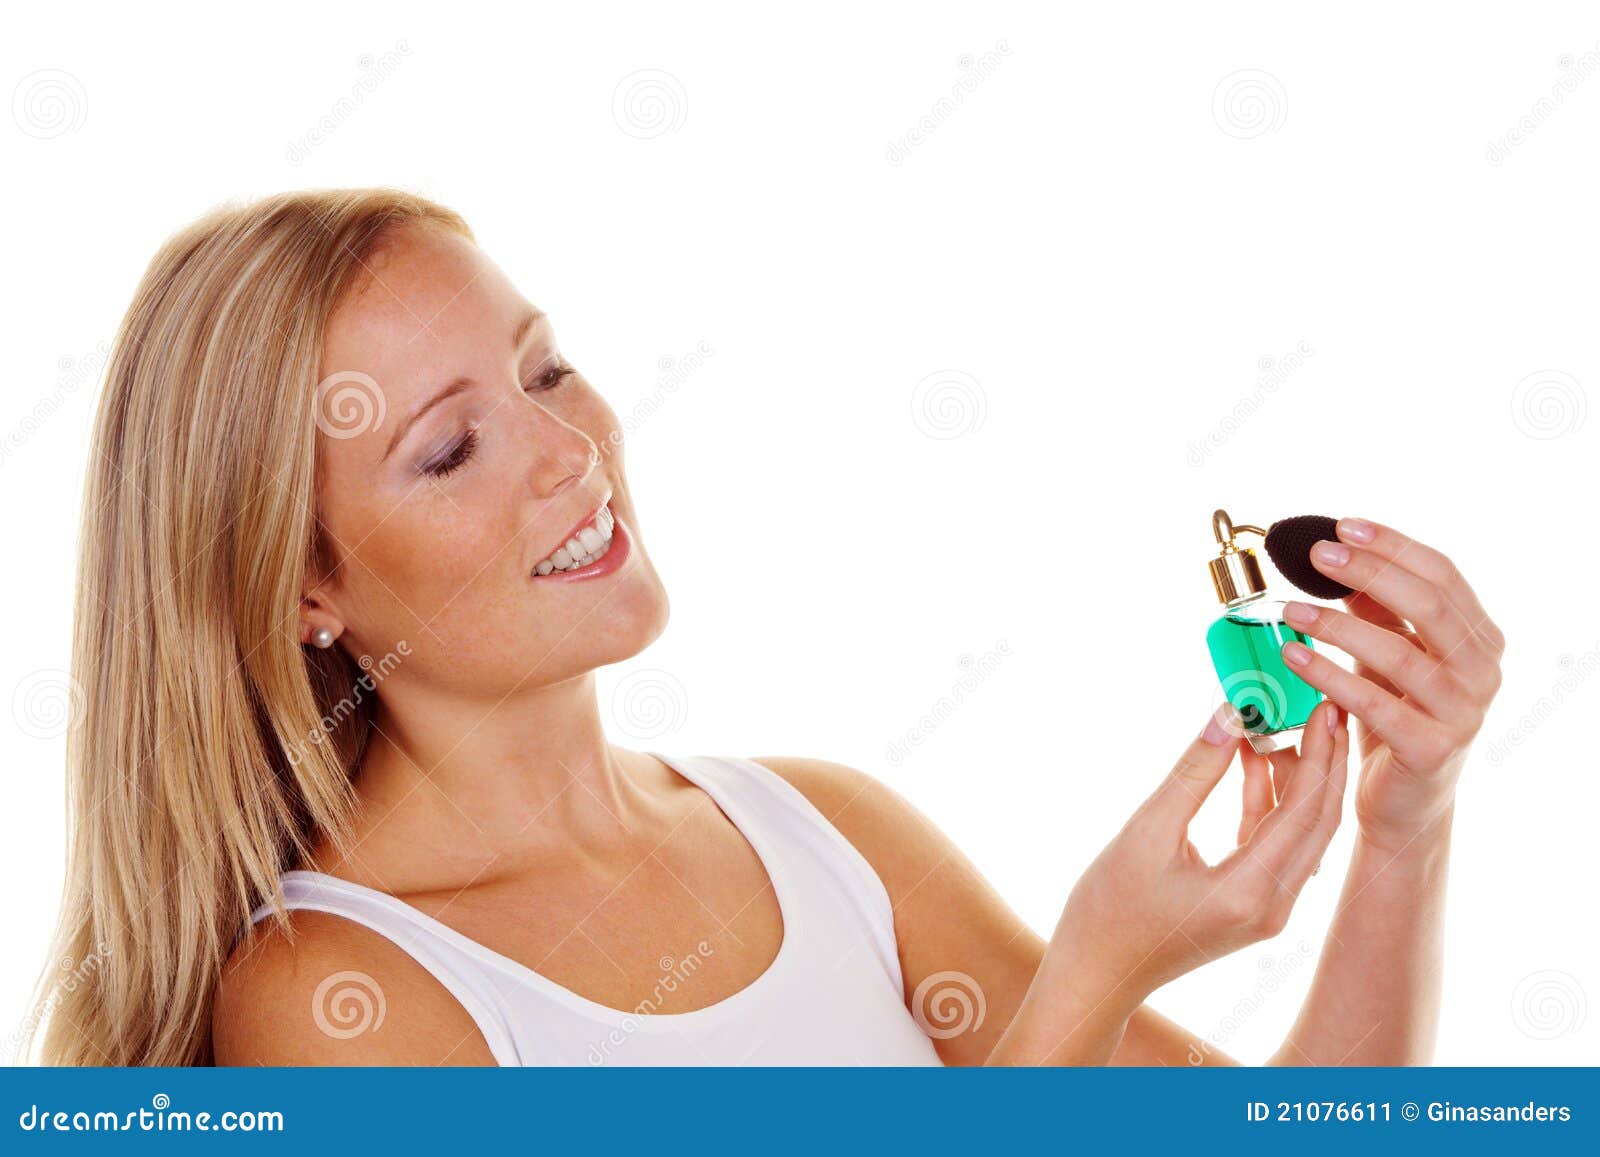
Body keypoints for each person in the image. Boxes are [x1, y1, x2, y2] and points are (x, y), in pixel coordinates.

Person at [32, 189, 1504, 1066]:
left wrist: (1402, 825)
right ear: (303, 590)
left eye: (545, 369)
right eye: (447, 446)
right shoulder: (329, 1000)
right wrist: (1093, 977)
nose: (568, 451)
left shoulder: (826, 835)